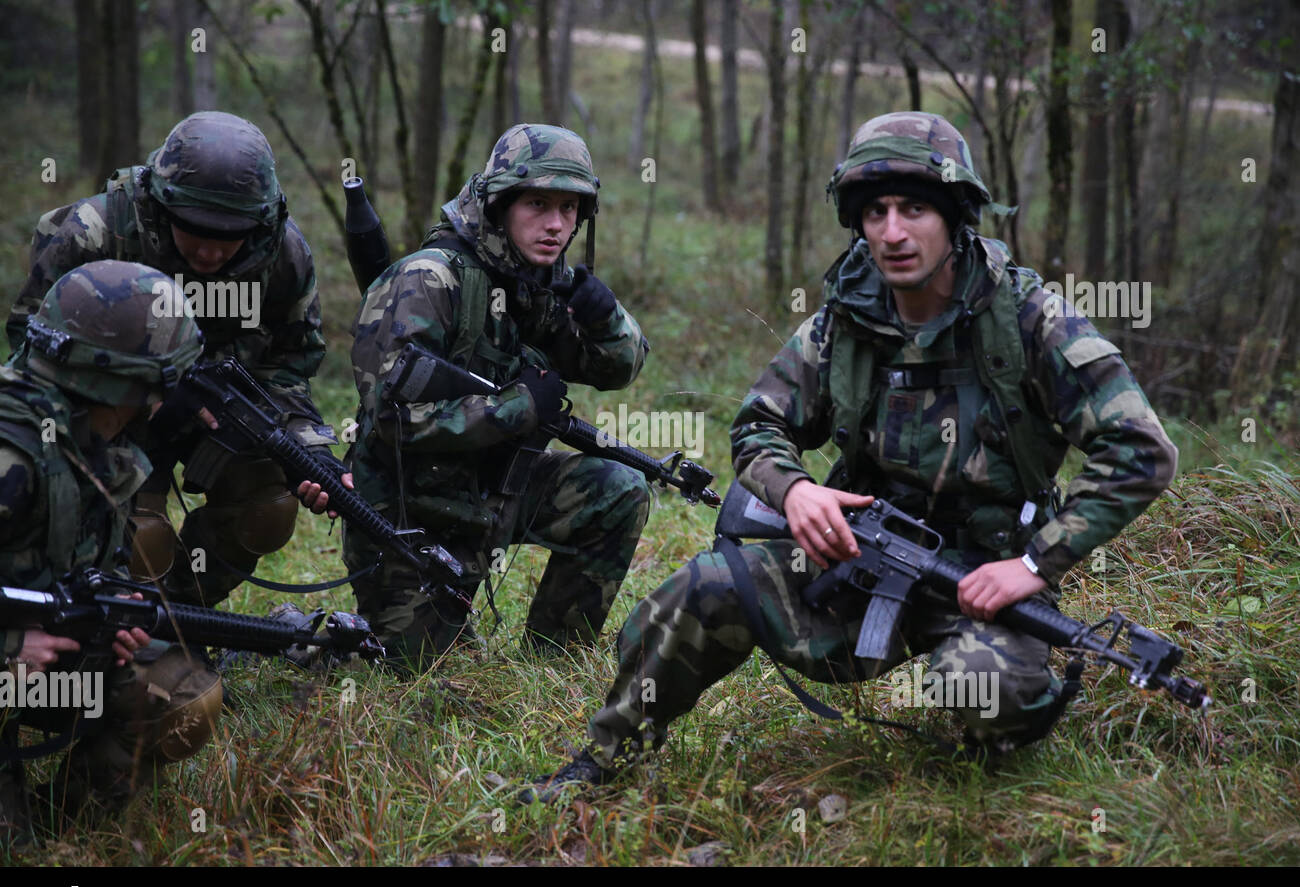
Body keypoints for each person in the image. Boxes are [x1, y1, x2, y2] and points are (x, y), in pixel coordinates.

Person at [522, 111, 1180, 800]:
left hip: (984, 580)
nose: (893, 232)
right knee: (699, 589)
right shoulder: (844, 321)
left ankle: (977, 770)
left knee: (986, 693)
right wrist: (796, 493)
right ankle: (604, 760)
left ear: (955, 215)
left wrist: (1032, 565)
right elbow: (756, 426)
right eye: (876, 212)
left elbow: (1141, 452)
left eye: (915, 208)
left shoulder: (1029, 321)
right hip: (858, 562)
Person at [7, 111, 344, 608]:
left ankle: (183, 614)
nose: (209, 251)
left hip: (220, 416)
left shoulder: (283, 255)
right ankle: (121, 616)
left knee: (269, 506)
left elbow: (288, 361)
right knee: (144, 538)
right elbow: (32, 355)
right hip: (106, 418)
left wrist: (305, 443)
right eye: (195, 228)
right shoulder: (92, 234)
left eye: (228, 232)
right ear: (162, 207)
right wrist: (148, 392)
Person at [345, 124, 651, 666]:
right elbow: (392, 422)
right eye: (538, 203)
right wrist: (517, 407)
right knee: (421, 675)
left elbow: (618, 369)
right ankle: (310, 638)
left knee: (619, 489)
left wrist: (603, 315)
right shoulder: (427, 280)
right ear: (500, 204)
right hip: (409, 514)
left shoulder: (539, 283)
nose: (556, 224)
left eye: (570, 207)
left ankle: (553, 660)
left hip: (495, 492)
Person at [0, 261, 221, 847]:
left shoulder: (92, 443)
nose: (156, 404)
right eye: (153, 385)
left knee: (179, 690)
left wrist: (113, 608)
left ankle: (57, 822)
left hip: (40, 670)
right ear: (113, 382)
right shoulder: (10, 463)